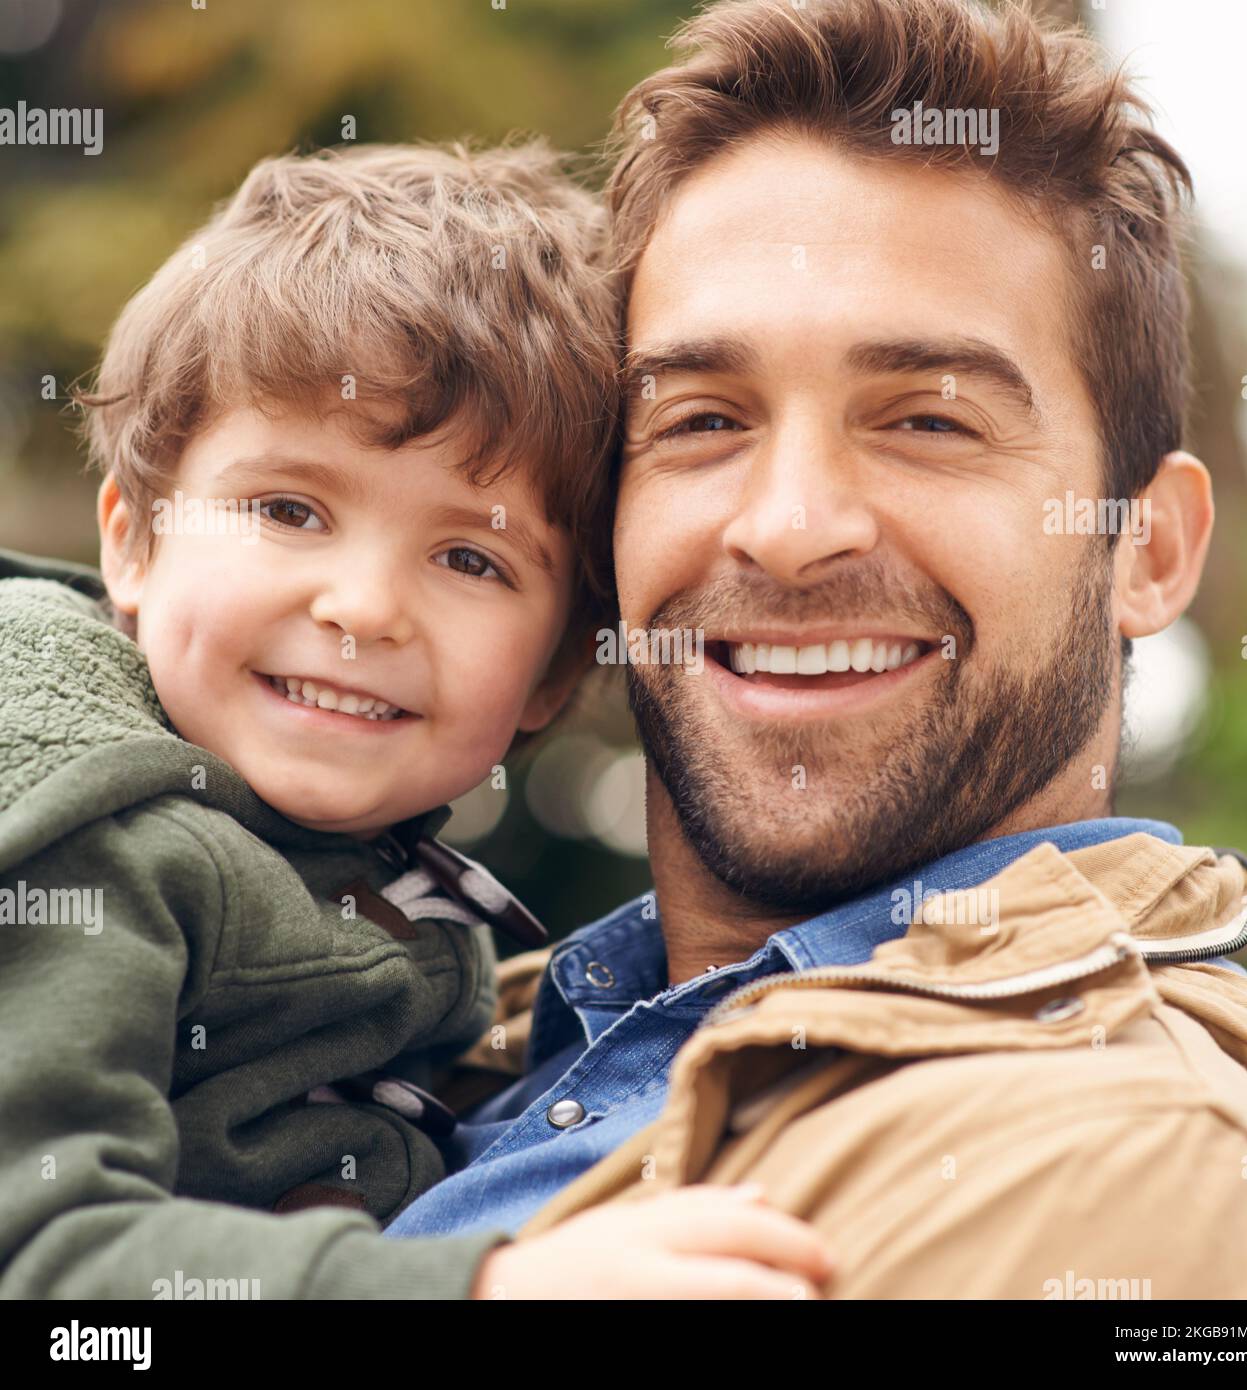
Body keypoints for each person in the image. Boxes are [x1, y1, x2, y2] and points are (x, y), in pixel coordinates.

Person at [388, 0, 1247, 1297]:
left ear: (1148, 548)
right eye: (702, 419)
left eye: (928, 420)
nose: (791, 526)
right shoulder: (417, 1035)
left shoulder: (1119, 1168)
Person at [0, 141, 833, 1301]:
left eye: (469, 558)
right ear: (133, 539)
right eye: (289, 508)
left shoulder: (383, 896)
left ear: (552, 672)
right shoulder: (88, 837)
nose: (363, 606)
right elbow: (40, 1263)